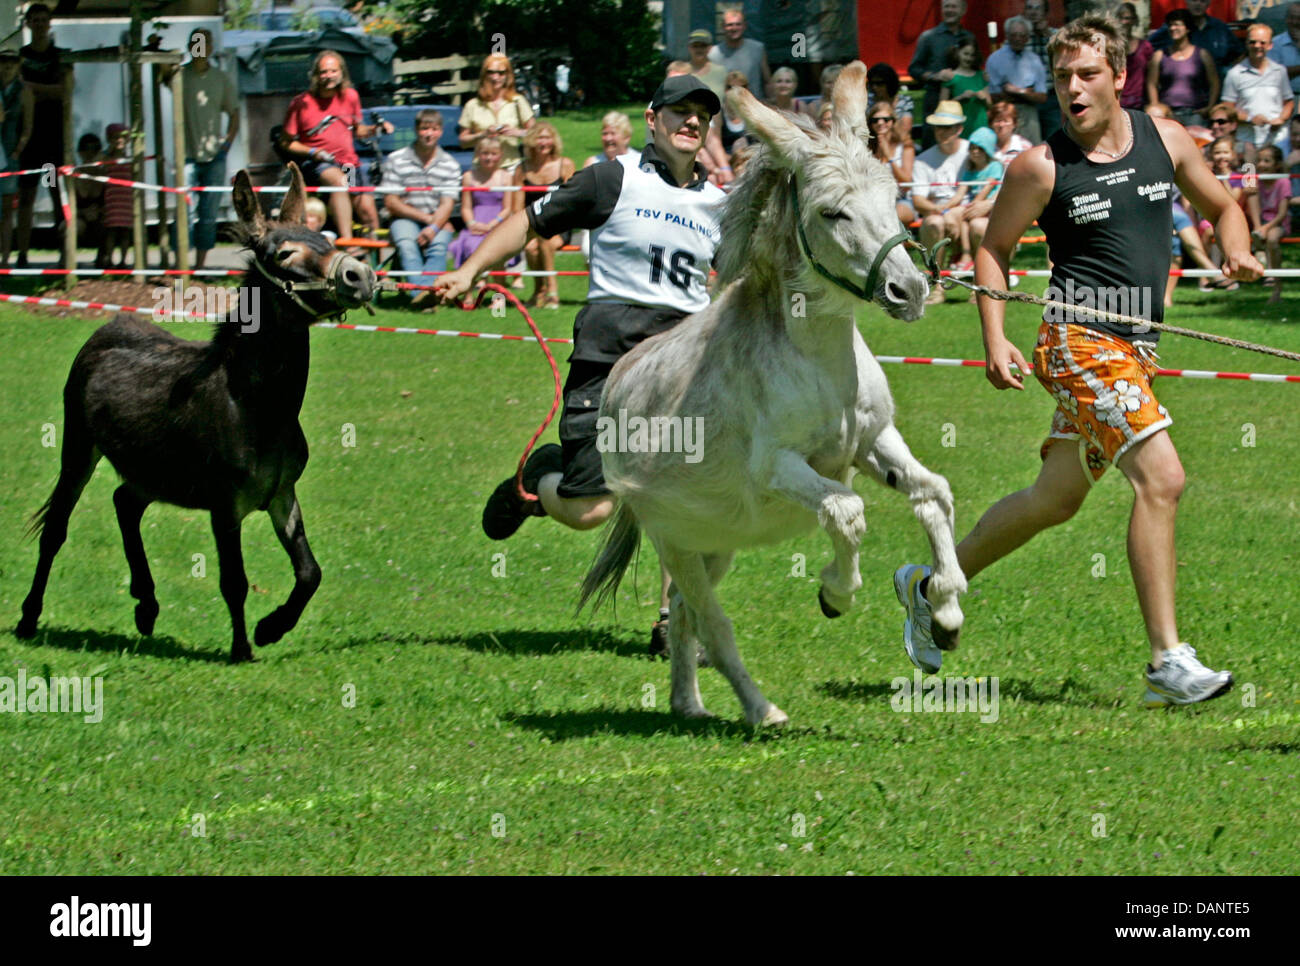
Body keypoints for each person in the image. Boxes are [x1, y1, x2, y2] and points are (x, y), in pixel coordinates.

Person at [893, 15, 1263, 706]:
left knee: (1055, 499)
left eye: (1087, 74)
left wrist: (1238, 250)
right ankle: (1167, 663)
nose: (1072, 88)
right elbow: (994, 249)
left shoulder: (1166, 138)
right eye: (1062, 77)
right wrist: (993, 334)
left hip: (1136, 349)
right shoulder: (1041, 166)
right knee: (1162, 478)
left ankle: (930, 583)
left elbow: (1223, 205)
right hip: (1078, 342)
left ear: (1118, 76)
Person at [434, 75, 725, 645]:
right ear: (653, 119)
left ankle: (673, 620)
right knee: (590, 509)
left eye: (702, 116)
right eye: (680, 112)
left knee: (681, 493)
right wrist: (471, 270)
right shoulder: (612, 178)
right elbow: (531, 220)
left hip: (684, 367)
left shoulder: (720, 203)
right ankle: (537, 482)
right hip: (610, 361)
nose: (691, 122)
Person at [280, 51, 392, 244]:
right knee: (340, 183)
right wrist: (313, 152)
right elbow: (286, 142)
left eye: (333, 70)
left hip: (348, 164)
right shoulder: (301, 103)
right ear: (316, 75)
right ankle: (346, 243)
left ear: (341, 73)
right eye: (324, 72)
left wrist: (376, 129)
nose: (328, 75)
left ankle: (377, 266)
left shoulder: (350, 97)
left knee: (367, 209)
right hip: (318, 164)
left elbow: (359, 130)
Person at [163, 29, 237, 270]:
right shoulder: (179, 75)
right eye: (195, 42)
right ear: (189, 46)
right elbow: (161, 75)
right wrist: (157, 50)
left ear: (211, 47)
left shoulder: (221, 78)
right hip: (186, 155)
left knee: (208, 214)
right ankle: (179, 266)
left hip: (215, 155)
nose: (200, 47)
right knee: (184, 211)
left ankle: (201, 267)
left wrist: (226, 144)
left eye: (204, 43)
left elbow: (234, 112)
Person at [380, 109, 461, 310]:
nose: (428, 134)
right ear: (416, 130)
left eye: (434, 129)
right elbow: (391, 201)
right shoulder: (396, 159)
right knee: (408, 246)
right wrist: (427, 219)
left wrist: (433, 228)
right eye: (424, 128)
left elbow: (448, 203)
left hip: (438, 220)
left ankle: (424, 296)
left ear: (441, 132)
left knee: (438, 247)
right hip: (404, 218)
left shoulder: (450, 164)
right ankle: (424, 297)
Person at [15, 3, 69, 269]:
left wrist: (33, 89)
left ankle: (64, 254)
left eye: (43, 20)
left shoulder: (60, 56)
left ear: (49, 24)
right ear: (28, 24)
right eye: (34, 20)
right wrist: (42, 90)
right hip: (28, 140)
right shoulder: (20, 57)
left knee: (57, 193)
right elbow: (17, 90)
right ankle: (22, 255)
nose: (38, 24)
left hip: (53, 139)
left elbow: (64, 90)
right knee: (26, 196)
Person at [911, 99, 970, 303]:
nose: (942, 132)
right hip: (937, 214)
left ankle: (979, 287)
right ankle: (936, 285)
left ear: (959, 129)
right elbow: (918, 200)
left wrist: (958, 211)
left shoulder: (974, 152)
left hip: (969, 212)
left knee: (979, 224)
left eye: (947, 128)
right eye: (938, 128)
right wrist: (941, 210)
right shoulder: (923, 159)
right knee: (935, 222)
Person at [512, 122, 575, 308]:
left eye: (548, 138)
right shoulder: (522, 169)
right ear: (531, 141)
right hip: (532, 225)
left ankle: (551, 291)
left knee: (544, 239)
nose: (544, 142)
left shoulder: (565, 164)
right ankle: (539, 291)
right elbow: (517, 207)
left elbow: (573, 201)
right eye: (540, 138)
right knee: (532, 247)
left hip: (560, 224)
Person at [910, 0, 976, 150]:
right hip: (936, 100)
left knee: (965, 146)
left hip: (964, 101)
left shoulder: (969, 37)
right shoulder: (929, 37)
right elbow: (914, 69)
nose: (949, 10)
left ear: (963, 10)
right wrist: (935, 76)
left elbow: (974, 65)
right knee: (934, 145)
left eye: (954, 6)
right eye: (946, 6)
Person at [1221, 24, 1293, 155]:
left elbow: (1289, 101)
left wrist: (1281, 119)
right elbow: (1227, 108)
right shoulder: (1235, 73)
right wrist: (1249, 118)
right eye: (1252, 42)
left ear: (1270, 45)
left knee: (1278, 176)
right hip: (1247, 140)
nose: (1257, 46)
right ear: (1247, 44)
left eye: (1262, 42)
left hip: (1277, 140)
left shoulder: (1280, 71)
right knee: (1249, 174)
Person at [457, 53, 535, 169]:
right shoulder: (473, 105)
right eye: (491, 72)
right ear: (484, 75)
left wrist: (517, 132)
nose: (495, 77)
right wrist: (483, 134)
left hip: (511, 166)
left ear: (508, 75)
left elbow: (535, 134)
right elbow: (463, 142)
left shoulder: (518, 101)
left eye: (501, 73)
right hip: (481, 168)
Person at [1146, 9, 1219, 128]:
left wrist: (1210, 107)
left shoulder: (1202, 54)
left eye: (1177, 25)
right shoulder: (1160, 55)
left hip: (1195, 114)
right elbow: (1151, 83)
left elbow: (1214, 82)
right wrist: (1155, 105)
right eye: (1170, 25)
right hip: (1167, 113)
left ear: (1188, 28)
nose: (1173, 28)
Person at [449, 136, 511, 274]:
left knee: (498, 254)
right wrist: (472, 224)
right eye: (485, 153)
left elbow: (507, 208)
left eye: (493, 154)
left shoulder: (505, 176)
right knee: (471, 246)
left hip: (498, 224)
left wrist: (491, 225)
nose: (489, 158)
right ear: (478, 154)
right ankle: (471, 291)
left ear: (500, 155)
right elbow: (465, 207)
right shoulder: (469, 176)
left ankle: (498, 291)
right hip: (476, 224)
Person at [987, 16, 1048, 144]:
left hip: (1029, 115)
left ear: (1027, 38)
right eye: (1014, 35)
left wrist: (1016, 91)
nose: (1018, 39)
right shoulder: (994, 59)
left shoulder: (1035, 60)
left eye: (1022, 35)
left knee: (1032, 151)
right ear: (1007, 36)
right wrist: (1029, 93)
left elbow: (1042, 97)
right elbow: (993, 96)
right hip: (1004, 115)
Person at [1147, 0, 1242, 80]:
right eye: (1193, 0)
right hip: (1182, 84)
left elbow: (1240, 54)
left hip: (1216, 82)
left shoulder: (1219, 28)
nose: (1197, 4)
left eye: (1202, 1)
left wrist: (1229, 74)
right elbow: (1148, 49)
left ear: (1208, 3)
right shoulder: (1174, 27)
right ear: (1186, 2)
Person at [952, 125, 1002, 278]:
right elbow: (959, 195)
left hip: (990, 207)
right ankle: (965, 256)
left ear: (987, 150)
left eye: (979, 148)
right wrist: (942, 208)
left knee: (967, 216)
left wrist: (972, 206)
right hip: (975, 206)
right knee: (960, 215)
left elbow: (988, 189)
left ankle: (967, 256)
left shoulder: (995, 166)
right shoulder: (969, 171)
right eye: (972, 148)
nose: (975, 152)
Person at [1246, 144, 1291, 304]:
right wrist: (1259, 227)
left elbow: (1282, 214)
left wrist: (1265, 228)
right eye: (1259, 161)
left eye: (1267, 161)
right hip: (1261, 222)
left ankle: (1275, 283)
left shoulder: (1283, 182)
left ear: (1277, 165)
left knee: (1272, 238)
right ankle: (1259, 247)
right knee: (1251, 192)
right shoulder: (1256, 180)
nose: (1262, 165)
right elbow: (1248, 185)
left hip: (1278, 223)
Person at [0, 48, 32, 266]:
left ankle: (5, 259)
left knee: (6, 210)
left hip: (10, 155)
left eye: (12, 62)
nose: (7, 66)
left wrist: (18, 150)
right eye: (3, 61)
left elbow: (27, 126)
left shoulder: (24, 91)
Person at [869, 99, 916, 225]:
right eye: (875, 120)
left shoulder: (905, 147)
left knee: (889, 217)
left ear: (893, 121)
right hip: (875, 199)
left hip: (902, 199)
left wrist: (889, 157)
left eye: (885, 119)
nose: (880, 123)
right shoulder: (867, 148)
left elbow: (906, 182)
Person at [708, 6, 771, 98]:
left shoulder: (758, 49)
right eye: (730, 25)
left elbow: (767, 82)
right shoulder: (713, 53)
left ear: (744, 26)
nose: (734, 28)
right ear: (723, 27)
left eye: (738, 24)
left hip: (753, 107)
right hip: (725, 109)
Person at [1022, 0, 1062, 140]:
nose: (1033, 12)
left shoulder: (1056, 35)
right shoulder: (1019, 37)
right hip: (1027, 98)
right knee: (1029, 141)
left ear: (1045, 13)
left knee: (1054, 140)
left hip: (1051, 97)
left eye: (1037, 8)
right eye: (1029, 8)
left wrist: (1045, 34)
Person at [940, 40, 990, 137]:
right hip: (960, 126)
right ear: (958, 53)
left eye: (972, 55)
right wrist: (961, 97)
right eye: (966, 54)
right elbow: (942, 107)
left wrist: (984, 97)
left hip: (980, 125)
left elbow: (989, 104)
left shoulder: (981, 75)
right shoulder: (951, 77)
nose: (969, 58)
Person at [100, 123, 133, 267]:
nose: (119, 141)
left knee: (125, 232)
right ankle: (108, 258)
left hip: (126, 200)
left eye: (122, 138)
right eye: (115, 138)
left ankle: (123, 260)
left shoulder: (130, 159)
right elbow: (101, 168)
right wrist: (110, 152)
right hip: (112, 200)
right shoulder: (106, 157)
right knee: (111, 231)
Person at [71, 132, 104, 264]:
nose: (90, 154)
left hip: (100, 217)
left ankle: (103, 259)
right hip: (80, 218)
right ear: (80, 152)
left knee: (109, 222)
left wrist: (99, 211)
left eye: (94, 150)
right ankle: (68, 261)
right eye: (86, 149)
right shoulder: (74, 175)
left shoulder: (104, 174)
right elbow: (68, 206)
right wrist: (83, 213)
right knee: (69, 227)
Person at [1116, 2, 1154, 110]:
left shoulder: (1145, 47)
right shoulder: (1111, 46)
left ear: (1134, 20)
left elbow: (1151, 78)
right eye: (1121, 18)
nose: (1124, 22)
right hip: (1117, 101)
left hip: (1139, 103)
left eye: (1128, 18)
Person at [867, 62, 916, 144]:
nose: (874, 87)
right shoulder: (866, 102)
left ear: (890, 83)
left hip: (898, 143)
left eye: (879, 83)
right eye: (872, 83)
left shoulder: (905, 102)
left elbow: (905, 130)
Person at [687, 29, 727, 104]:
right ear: (689, 47)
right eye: (695, 46)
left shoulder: (721, 72)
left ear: (710, 48)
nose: (699, 49)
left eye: (703, 46)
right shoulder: (681, 72)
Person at [989, 99, 1033, 165]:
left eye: (1005, 121)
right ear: (991, 124)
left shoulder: (1024, 147)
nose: (1001, 125)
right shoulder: (985, 146)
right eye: (998, 121)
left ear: (1014, 124)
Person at [1272, 2, 1300, 100]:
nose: (1295, 22)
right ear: (1286, 19)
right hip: (1285, 98)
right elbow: (1274, 75)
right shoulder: (1275, 43)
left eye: (1299, 18)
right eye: (1292, 18)